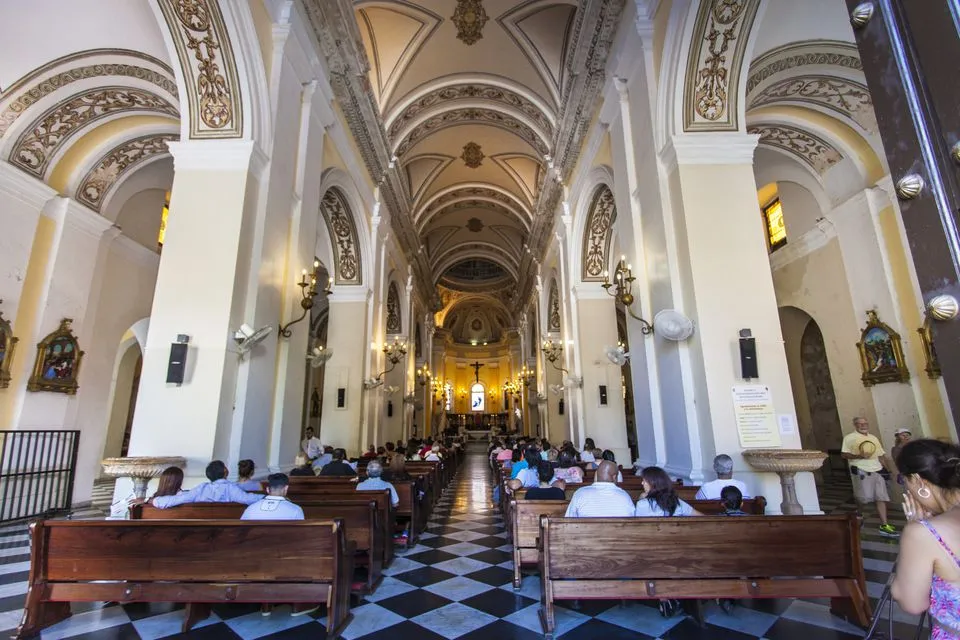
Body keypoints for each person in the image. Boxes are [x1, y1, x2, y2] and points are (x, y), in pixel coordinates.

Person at [890, 439, 960, 637]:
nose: (906, 490)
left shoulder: (925, 534)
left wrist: (916, 528)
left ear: (919, 481)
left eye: (904, 482)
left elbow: (912, 602)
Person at [842, 416, 899, 537]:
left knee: (881, 497)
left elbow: (881, 455)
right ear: (855, 425)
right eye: (860, 424)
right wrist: (859, 456)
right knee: (864, 498)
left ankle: (884, 525)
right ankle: (859, 513)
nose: (863, 426)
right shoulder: (849, 438)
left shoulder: (873, 438)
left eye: (865, 423)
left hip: (877, 470)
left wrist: (889, 470)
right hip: (861, 470)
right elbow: (844, 454)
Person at [152, 460, 260, 508]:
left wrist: (152, 500)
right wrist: (269, 496)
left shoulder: (201, 488)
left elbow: (178, 499)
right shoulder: (231, 488)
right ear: (225, 471)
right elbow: (247, 498)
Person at [564, 460, 634, 517]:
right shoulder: (625, 496)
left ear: (597, 475)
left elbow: (569, 520)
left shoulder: (580, 493)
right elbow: (632, 520)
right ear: (614, 477)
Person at [635, 466, 700, 517]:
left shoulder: (642, 504)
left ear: (652, 483)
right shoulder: (677, 503)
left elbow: (636, 526)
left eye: (644, 481)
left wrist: (641, 499)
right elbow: (701, 517)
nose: (642, 483)